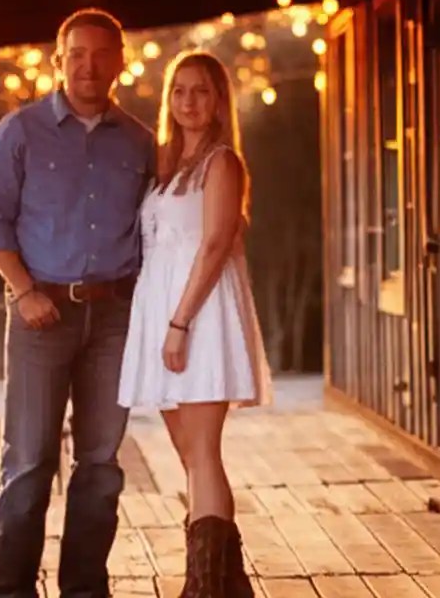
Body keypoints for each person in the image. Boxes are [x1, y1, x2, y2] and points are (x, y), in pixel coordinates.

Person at [0, 7, 156, 598]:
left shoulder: (139, 142)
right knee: (29, 463)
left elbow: (155, 230)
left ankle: (84, 588)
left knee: (101, 466)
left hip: (112, 320)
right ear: (58, 62)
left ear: (120, 64)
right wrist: (23, 291)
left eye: (102, 54)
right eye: (76, 54)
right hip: (39, 314)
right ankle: (11, 590)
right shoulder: (19, 131)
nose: (88, 65)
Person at [118, 49, 272, 596]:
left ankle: (204, 589)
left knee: (203, 454)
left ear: (218, 100)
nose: (189, 101)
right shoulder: (163, 166)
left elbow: (213, 246)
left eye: (201, 91)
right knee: (191, 457)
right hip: (162, 309)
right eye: (179, 91)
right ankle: (228, 582)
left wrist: (180, 323)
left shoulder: (222, 162)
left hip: (199, 313)